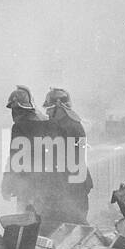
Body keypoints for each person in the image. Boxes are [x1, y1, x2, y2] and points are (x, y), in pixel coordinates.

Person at [40, 87, 92, 225]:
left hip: (69, 186)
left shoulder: (63, 125)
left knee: (70, 226)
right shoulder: (72, 123)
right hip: (74, 183)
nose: (48, 112)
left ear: (59, 106)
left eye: (50, 108)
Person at [1, 85, 48, 216]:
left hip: (27, 185)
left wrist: (7, 184)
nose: (14, 113)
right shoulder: (46, 122)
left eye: (16, 110)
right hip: (48, 184)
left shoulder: (19, 127)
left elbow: (15, 158)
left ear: (23, 110)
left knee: (26, 222)